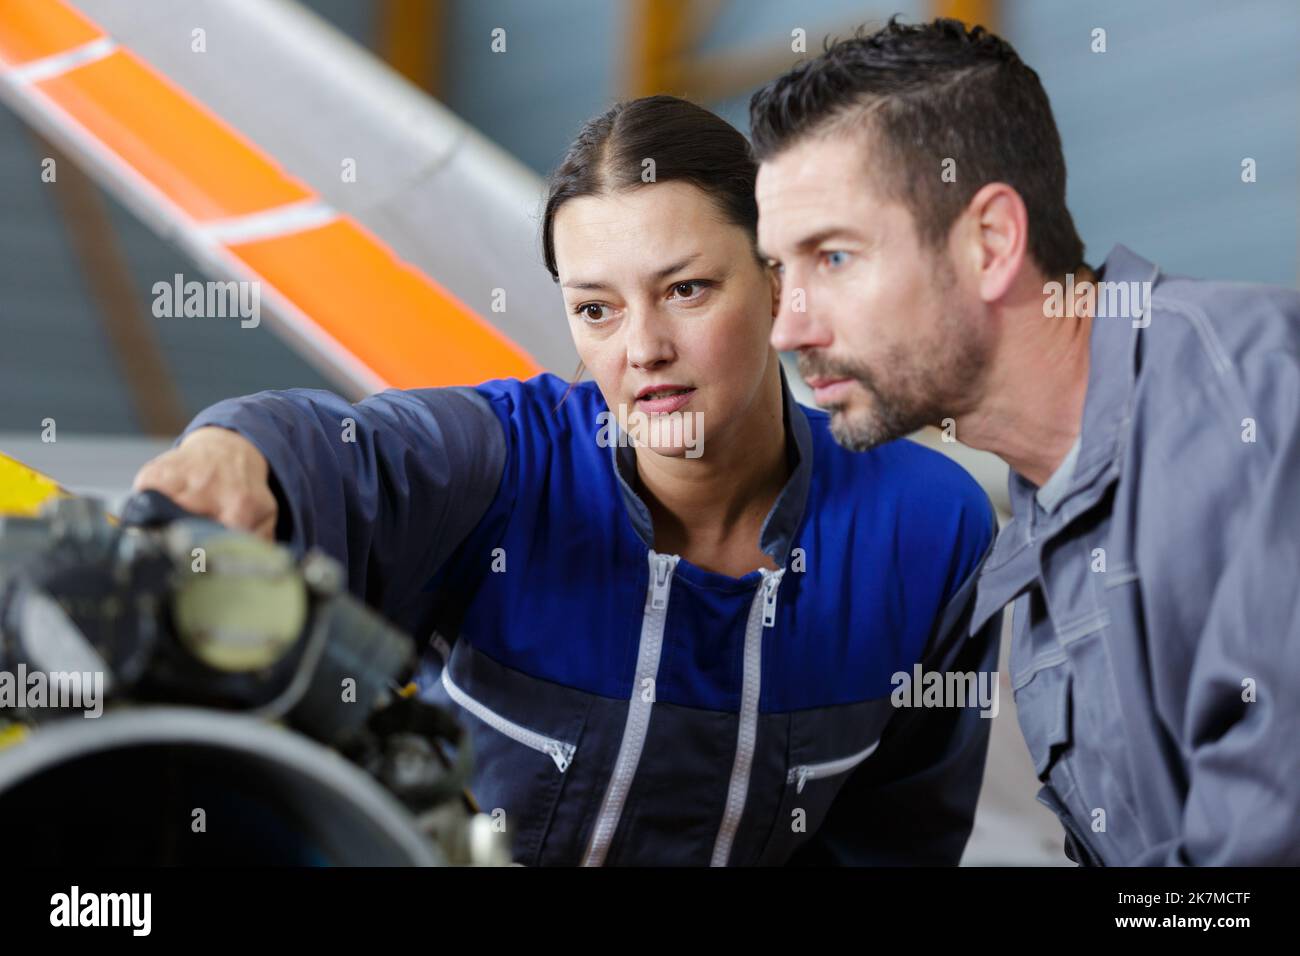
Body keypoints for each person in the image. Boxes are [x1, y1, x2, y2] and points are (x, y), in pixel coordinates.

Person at [133, 95, 999, 866]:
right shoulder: (503, 470)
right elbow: (339, 451)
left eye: (688, 290)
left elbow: (899, 841)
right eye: (597, 308)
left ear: (779, 286)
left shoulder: (929, 531)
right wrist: (232, 447)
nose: (643, 348)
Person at [750, 17, 1300, 865]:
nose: (787, 327)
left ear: (992, 242)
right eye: (778, 272)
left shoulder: (1250, 399)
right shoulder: (1033, 578)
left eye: (832, 258)